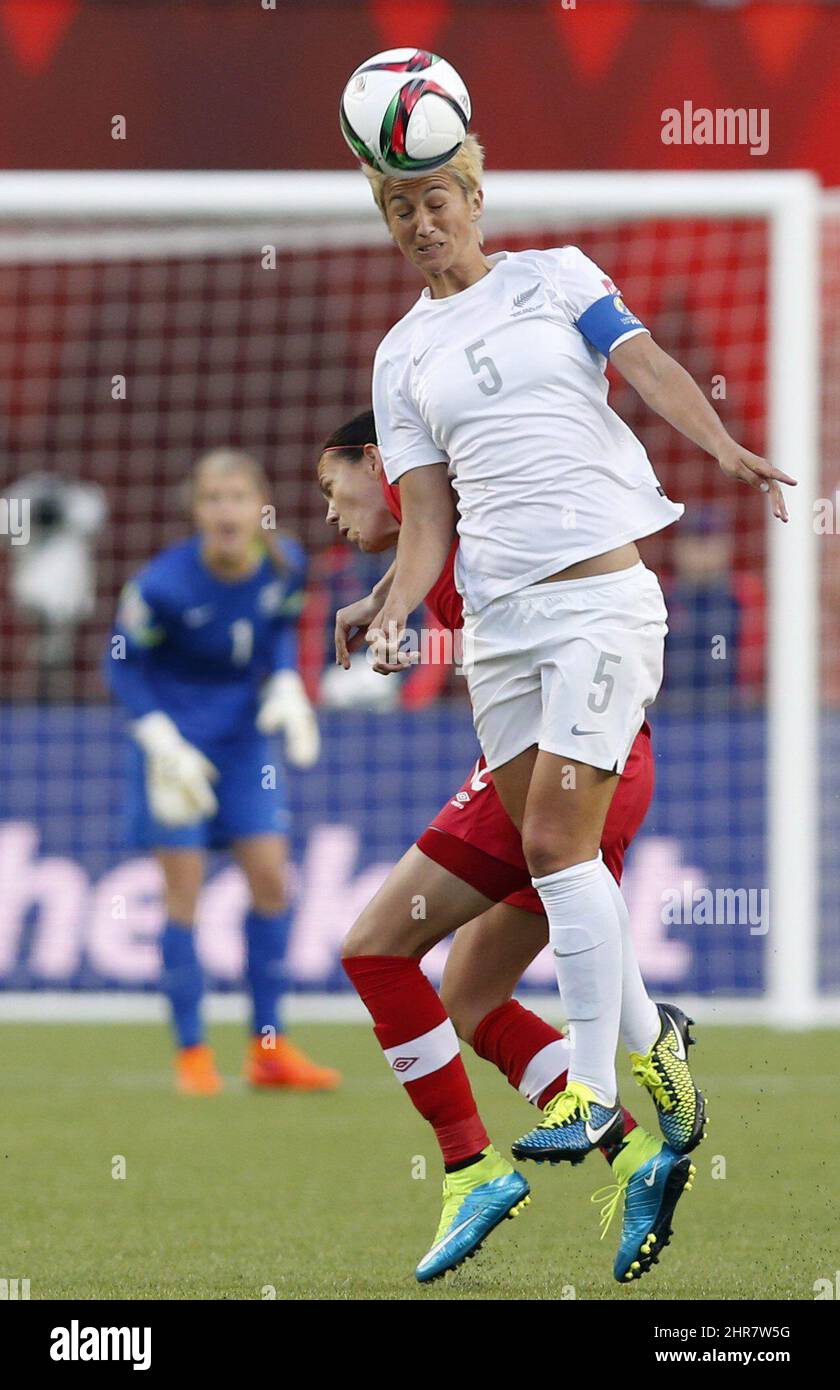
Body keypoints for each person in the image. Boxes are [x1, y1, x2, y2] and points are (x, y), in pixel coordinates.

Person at [358, 138, 793, 1186]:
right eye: (400, 209)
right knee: (560, 855)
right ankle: (660, 1046)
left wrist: (724, 446)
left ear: (473, 196)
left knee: (557, 843)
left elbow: (645, 365)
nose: (422, 223)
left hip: (601, 600)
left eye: (435, 200)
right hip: (499, 635)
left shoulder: (556, 275)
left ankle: (594, 1095)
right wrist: (392, 606)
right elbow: (426, 520)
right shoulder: (398, 358)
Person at [318, 409, 695, 1284]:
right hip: (596, 759)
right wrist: (381, 602)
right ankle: (638, 1150)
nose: (331, 514)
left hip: (562, 763)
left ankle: (472, 1167)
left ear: (379, 461)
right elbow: (430, 543)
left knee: (375, 950)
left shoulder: (488, 505)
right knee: (475, 995)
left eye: (331, 487)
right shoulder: (445, 532)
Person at [105, 448, 339, 1096]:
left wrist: (289, 680)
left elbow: (285, 626)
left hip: (244, 747)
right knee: (183, 894)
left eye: (237, 497)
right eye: (213, 499)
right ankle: (192, 1055)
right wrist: (158, 738)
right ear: (197, 511)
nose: (226, 511)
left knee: (271, 882)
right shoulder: (161, 585)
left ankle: (268, 1048)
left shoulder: (285, 564)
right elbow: (121, 664)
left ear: (258, 505)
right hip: (174, 751)